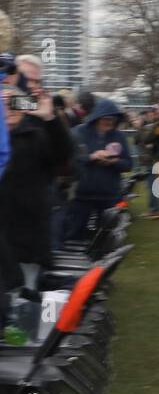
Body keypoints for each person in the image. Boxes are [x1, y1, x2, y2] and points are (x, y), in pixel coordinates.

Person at [0, 56, 74, 283]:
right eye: (4, 102)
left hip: (26, 240)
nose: (9, 108)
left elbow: (64, 156)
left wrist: (50, 118)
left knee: (24, 300)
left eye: (15, 102)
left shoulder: (35, 137)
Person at [67, 97, 132, 243]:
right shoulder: (79, 132)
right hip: (83, 195)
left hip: (110, 195)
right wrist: (91, 157)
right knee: (74, 235)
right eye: (106, 118)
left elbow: (128, 164)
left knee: (106, 237)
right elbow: (71, 160)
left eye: (113, 119)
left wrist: (114, 162)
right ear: (97, 116)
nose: (110, 122)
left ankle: (99, 262)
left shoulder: (119, 136)